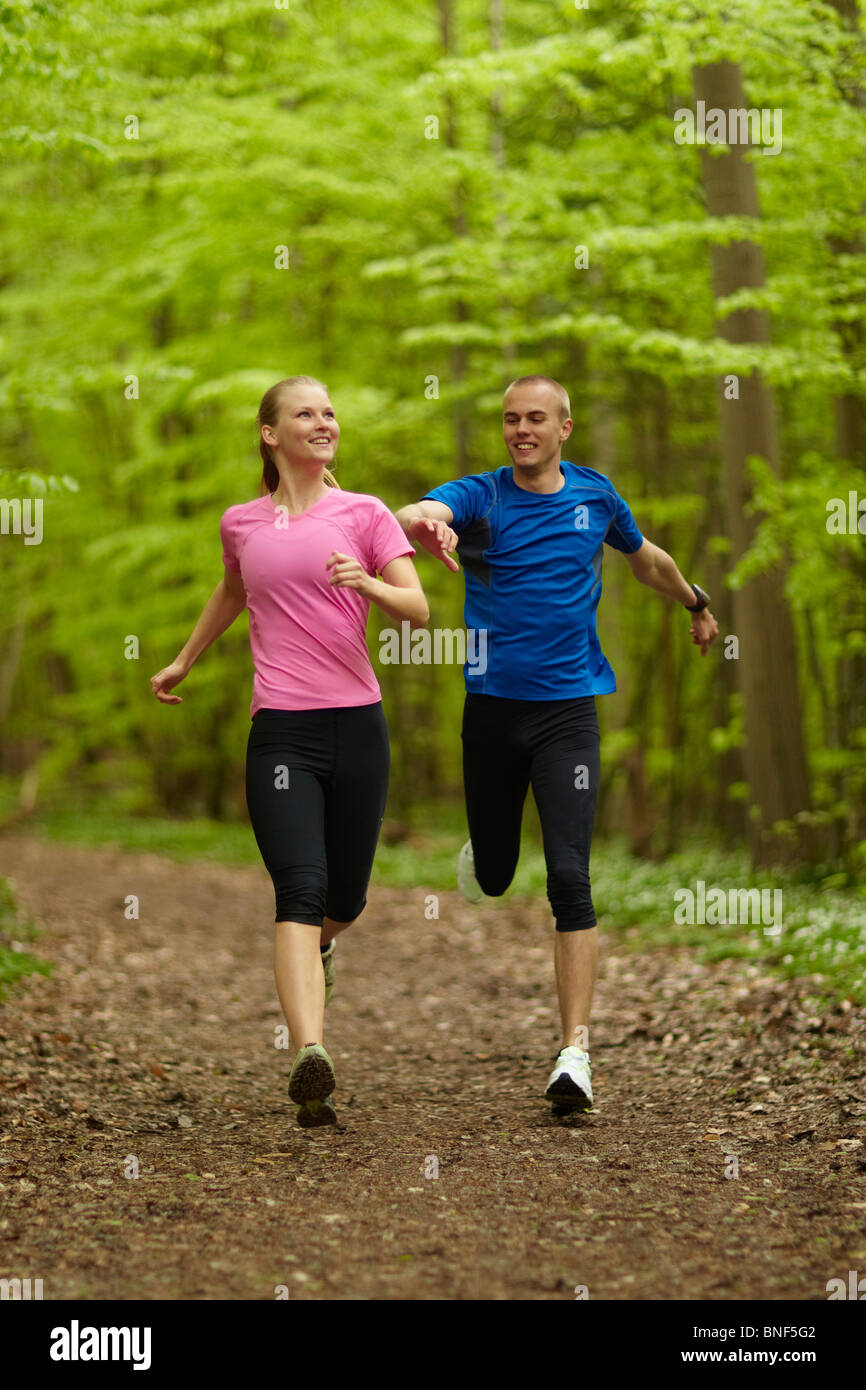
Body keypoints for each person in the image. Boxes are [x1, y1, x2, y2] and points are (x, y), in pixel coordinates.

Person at [395, 375, 718, 1116]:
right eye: (511, 420)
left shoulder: (596, 496)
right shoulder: (481, 495)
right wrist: (428, 526)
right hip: (491, 714)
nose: (521, 430)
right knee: (499, 874)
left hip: (569, 714)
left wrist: (696, 604)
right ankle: (486, 851)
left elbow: (649, 561)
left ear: (564, 428)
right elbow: (419, 510)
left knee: (571, 878)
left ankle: (575, 1051)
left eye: (535, 419)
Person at [151, 375, 428, 1127]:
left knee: (345, 901)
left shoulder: (364, 514)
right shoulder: (241, 522)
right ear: (271, 435)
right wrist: (185, 658)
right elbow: (233, 591)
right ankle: (312, 1055)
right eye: (305, 413)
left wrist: (366, 582)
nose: (324, 421)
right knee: (299, 888)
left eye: (330, 411)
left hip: (358, 724)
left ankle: (318, 956)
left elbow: (419, 605)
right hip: (281, 731)